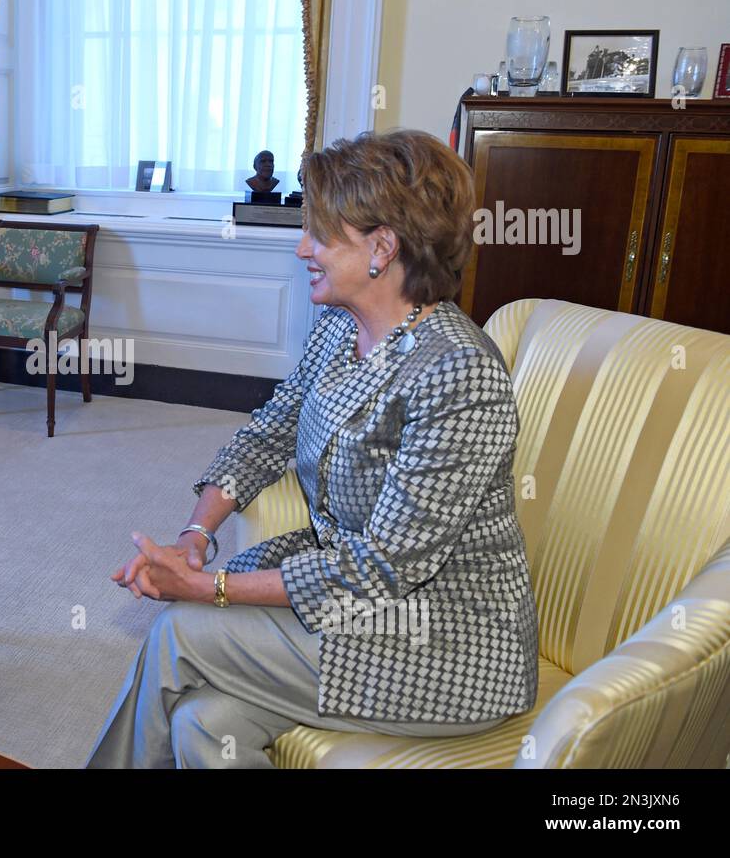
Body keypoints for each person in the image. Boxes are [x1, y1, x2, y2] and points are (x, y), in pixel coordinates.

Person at [88, 129, 539, 768]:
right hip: (350, 605)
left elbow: (380, 567)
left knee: (181, 630)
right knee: (200, 725)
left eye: (320, 234)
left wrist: (206, 587)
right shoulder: (338, 327)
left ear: (383, 247)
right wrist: (197, 534)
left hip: (444, 642)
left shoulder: (457, 372)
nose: (302, 248)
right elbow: (270, 431)